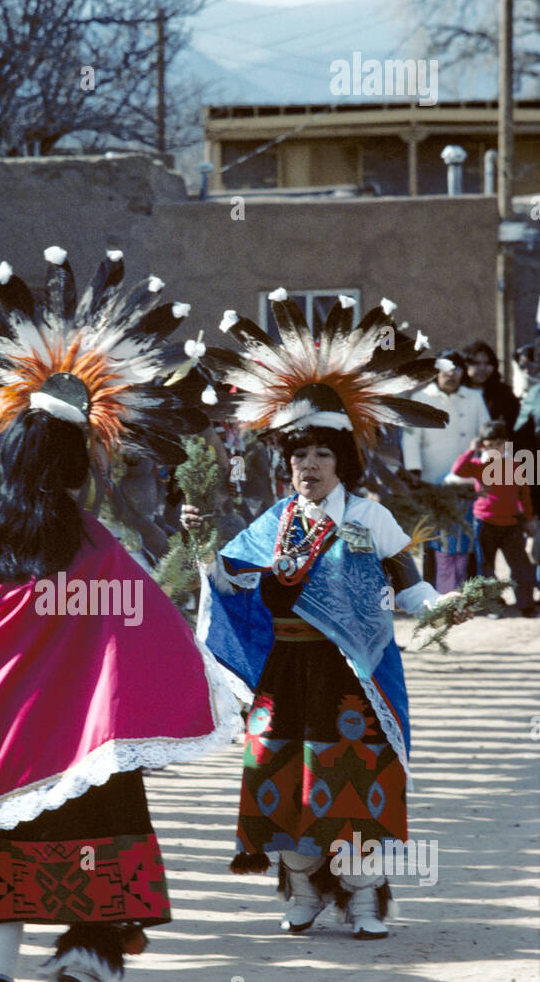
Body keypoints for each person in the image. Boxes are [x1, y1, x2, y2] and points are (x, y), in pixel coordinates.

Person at [0, 244, 236, 982]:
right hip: (86, 749)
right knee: (99, 858)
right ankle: (87, 950)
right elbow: (155, 634)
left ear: (2, 458)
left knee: (1, 873)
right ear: (81, 467)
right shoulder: (100, 550)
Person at [192, 290, 470, 939]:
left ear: (341, 460)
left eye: (319, 454)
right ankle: (300, 888)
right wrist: (201, 542)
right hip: (286, 677)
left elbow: (408, 586)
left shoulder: (368, 517)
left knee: (349, 788)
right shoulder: (274, 522)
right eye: (298, 455)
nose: (307, 466)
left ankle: (365, 896)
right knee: (281, 783)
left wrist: (444, 606)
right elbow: (231, 580)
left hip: (352, 678)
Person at [401, 351, 485, 591]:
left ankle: (469, 591)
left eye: (456, 368)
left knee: (467, 535)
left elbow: (487, 434)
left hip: (468, 482)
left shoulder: (475, 398)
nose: (451, 373)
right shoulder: (420, 397)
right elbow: (410, 438)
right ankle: (431, 590)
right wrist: (414, 472)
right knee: (434, 538)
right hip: (431, 480)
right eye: (445, 368)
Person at [451, 422, 537, 617]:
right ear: (483, 445)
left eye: (499, 443)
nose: (494, 448)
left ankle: (526, 604)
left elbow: (525, 495)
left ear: (506, 443)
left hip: (511, 524)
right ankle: (494, 604)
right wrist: (470, 451)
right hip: (484, 523)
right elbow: (457, 470)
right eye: (489, 444)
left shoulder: (515, 465)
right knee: (485, 567)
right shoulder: (478, 465)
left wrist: (529, 519)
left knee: (520, 566)